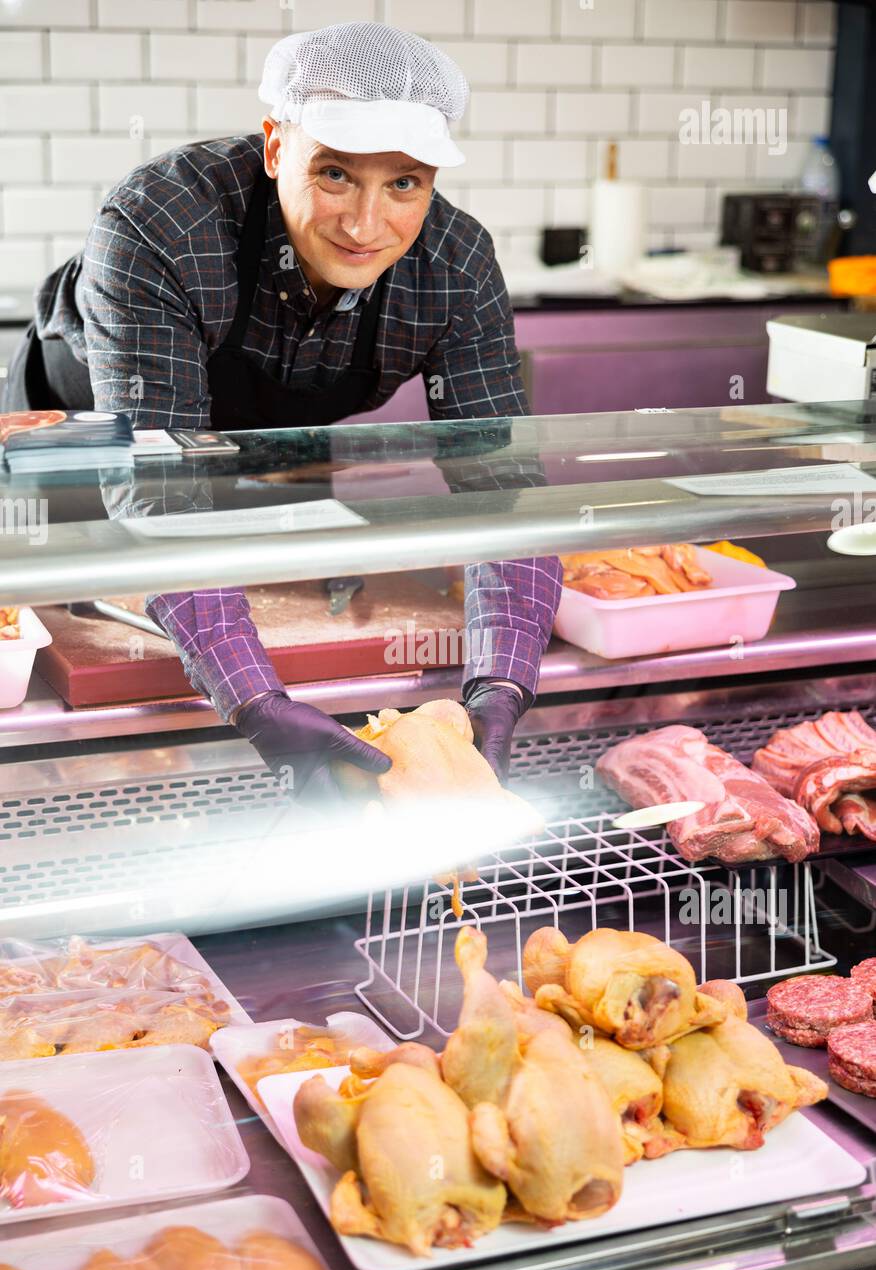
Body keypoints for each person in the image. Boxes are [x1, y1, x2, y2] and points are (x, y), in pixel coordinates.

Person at [7, 21, 561, 797]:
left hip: (269, 456)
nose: (366, 226)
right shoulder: (162, 220)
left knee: (292, 646)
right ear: (275, 148)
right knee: (76, 711)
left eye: (404, 183)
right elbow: (159, 490)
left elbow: (505, 489)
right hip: (72, 460)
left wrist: (502, 684)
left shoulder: (456, 265)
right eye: (334, 174)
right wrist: (257, 701)